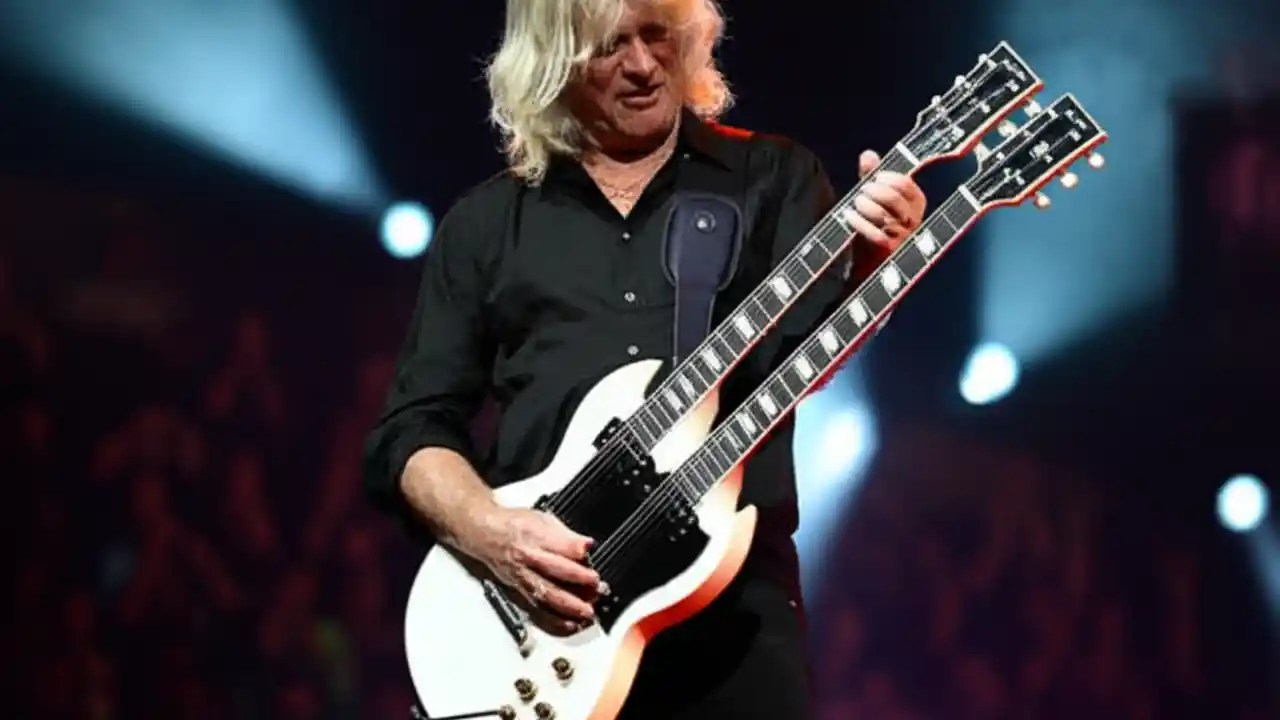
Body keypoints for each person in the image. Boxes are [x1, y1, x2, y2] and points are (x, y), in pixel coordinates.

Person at [362, 0, 926, 717]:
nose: (640, 65)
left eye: (657, 35)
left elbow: (813, 353)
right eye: (608, 45)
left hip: (729, 620)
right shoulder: (485, 225)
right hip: (542, 624)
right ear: (553, 60)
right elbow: (411, 429)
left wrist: (875, 261)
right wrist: (494, 534)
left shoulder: (770, 176)